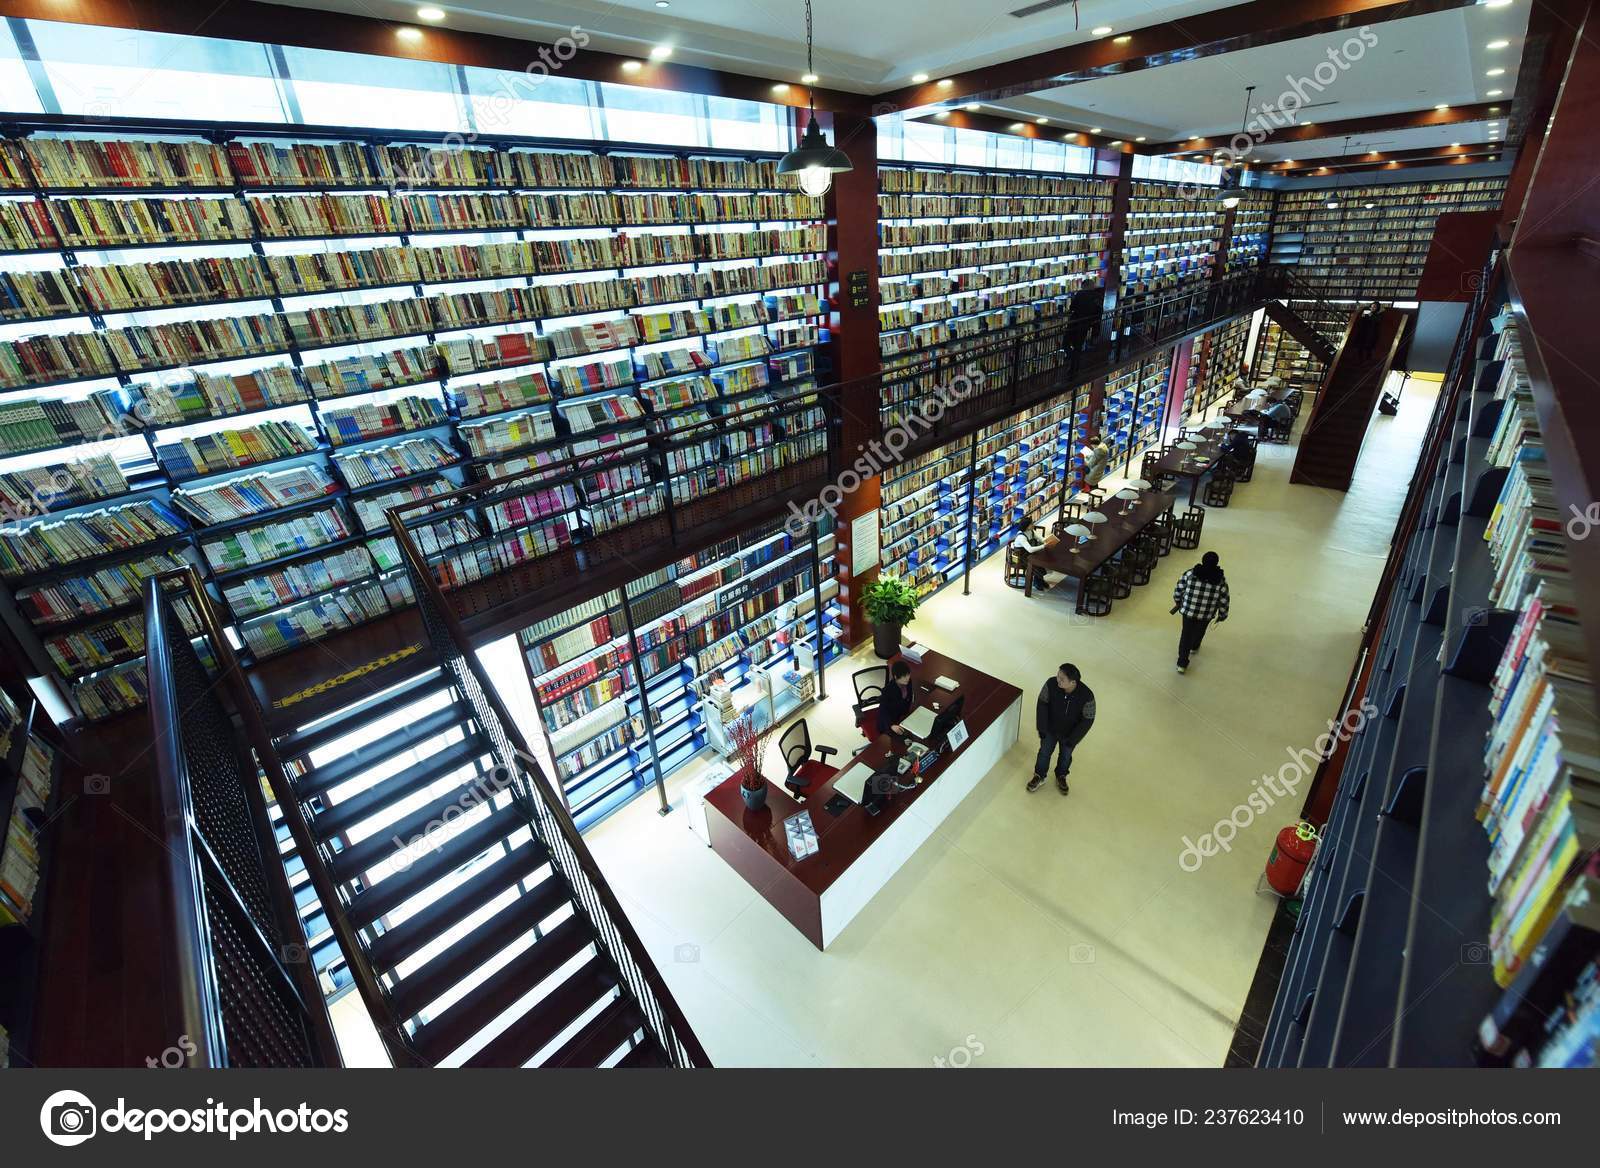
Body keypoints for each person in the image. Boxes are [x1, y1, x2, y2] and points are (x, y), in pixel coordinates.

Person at [1029, 663, 1096, 795]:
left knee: (1066, 756)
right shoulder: (1051, 684)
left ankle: (1061, 775)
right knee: (1044, 753)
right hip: (1050, 729)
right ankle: (1039, 775)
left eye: (1062, 679)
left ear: (1072, 682)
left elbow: (1088, 720)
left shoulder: (1087, 696)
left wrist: (1073, 739)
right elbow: (1042, 704)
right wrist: (1042, 728)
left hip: (1070, 734)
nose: (1057, 680)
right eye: (1058, 676)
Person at [1171, 551, 1230, 673]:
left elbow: (1179, 588)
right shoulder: (1220, 580)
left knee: (1186, 634)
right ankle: (1194, 646)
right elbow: (1224, 599)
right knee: (1200, 630)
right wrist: (1222, 615)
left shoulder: (1191, 573)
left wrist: (1177, 600)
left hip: (1188, 611)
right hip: (1206, 614)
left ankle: (1182, 663)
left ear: (1202, 560)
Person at [1013, 516, 1059, 591]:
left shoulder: (1031, 531)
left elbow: (1041, 539)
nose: (1033, 525)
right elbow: (1030, 549)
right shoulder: (1022, 537)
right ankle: (1037, 582)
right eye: (1031, 524)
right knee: (1037, 564)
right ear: (1027, 526)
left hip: (1028, 554)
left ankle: (1039, 580)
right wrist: (1044, 546)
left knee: (1041, 561)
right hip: (1021, 557)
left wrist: (1048, 540)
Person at [876, 659, 917, 741]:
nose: (907, 678)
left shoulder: (908, 682)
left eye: (908, 674)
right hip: (890, 721)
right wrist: (891, 725)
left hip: (902, 716)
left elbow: (907, 699)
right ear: (895, 677)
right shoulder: (887, 691)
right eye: (904, 676)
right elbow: (883, 711)